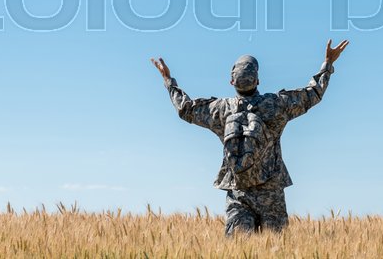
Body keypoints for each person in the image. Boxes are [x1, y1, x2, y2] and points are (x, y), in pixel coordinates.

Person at [150, 39, 349, 236]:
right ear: (257, 81)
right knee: (277, 250)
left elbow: (185, 109)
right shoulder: (275, 105)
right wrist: (328, 64)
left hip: (238, 194)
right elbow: (313, 94)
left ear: (231, 82)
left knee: (238, 250)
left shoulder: (220, 110)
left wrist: (168, 81)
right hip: (272, 194)